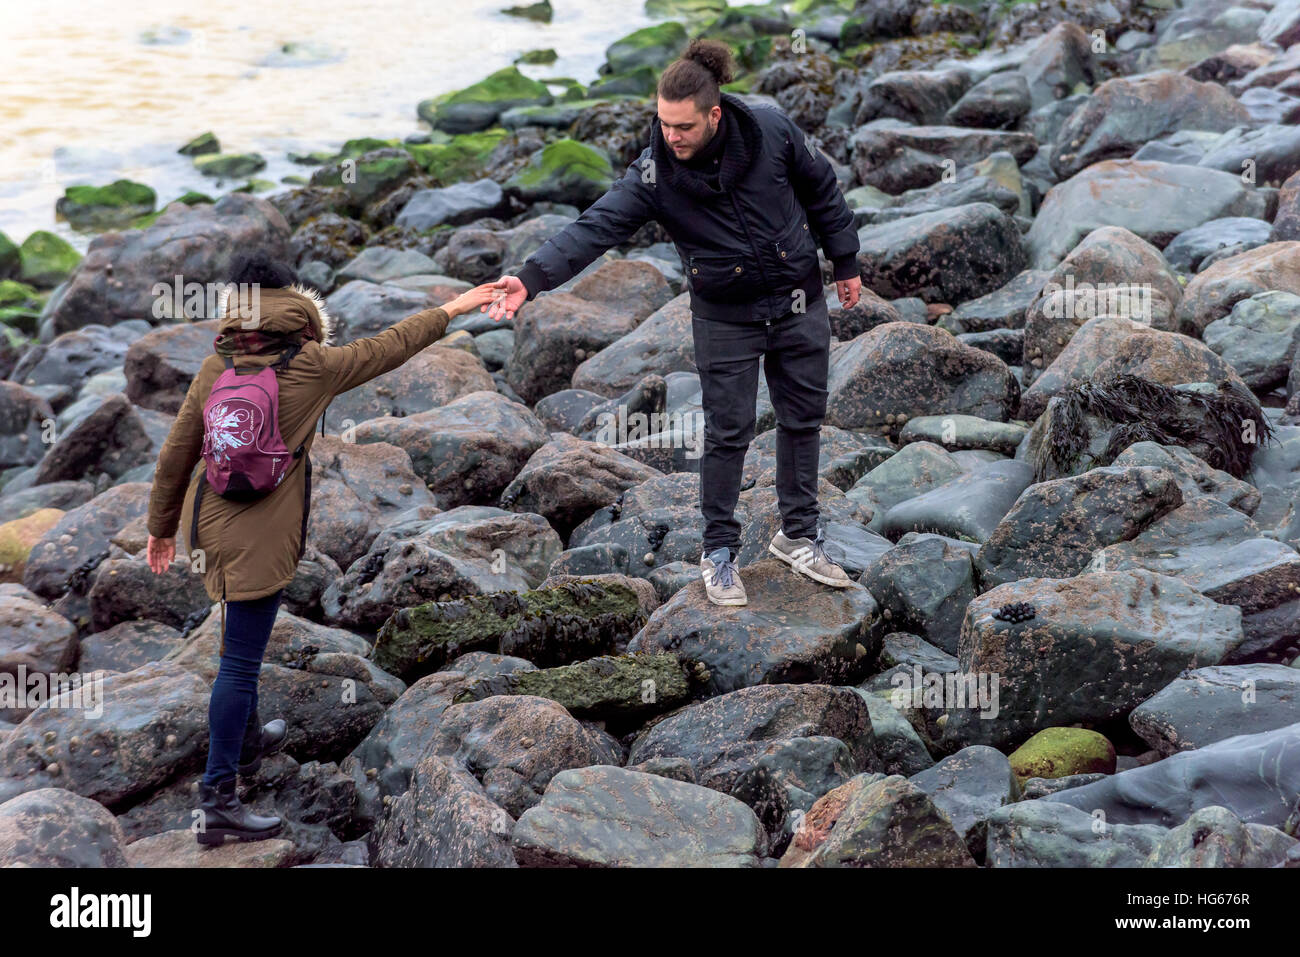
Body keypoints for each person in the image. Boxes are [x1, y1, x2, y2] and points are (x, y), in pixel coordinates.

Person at [488, 38, 863, 606]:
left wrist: (846, 260)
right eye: (662, 124)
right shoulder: (655, 175)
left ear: (714, 114)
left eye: (683, 126)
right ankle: (718, 552)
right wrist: (532, 278)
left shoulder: (771, 130)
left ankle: (798, 536)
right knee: (729, 432)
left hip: (796, 303)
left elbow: (823, 189)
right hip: (726, 319)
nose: (671, 137)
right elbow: (596, 227)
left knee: (802, 420)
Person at [144, 253, 501, 845]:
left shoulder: (217, 364)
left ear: (239, 304)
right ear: (292, 299)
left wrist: (160, 527)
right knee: (238, 661)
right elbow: (390, 346)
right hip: (261, 535)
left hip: (210, 524)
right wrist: (456, 306)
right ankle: (217, 804)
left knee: (237, 638)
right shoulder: (311, 364)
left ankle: (250, 743)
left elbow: (178, 450)